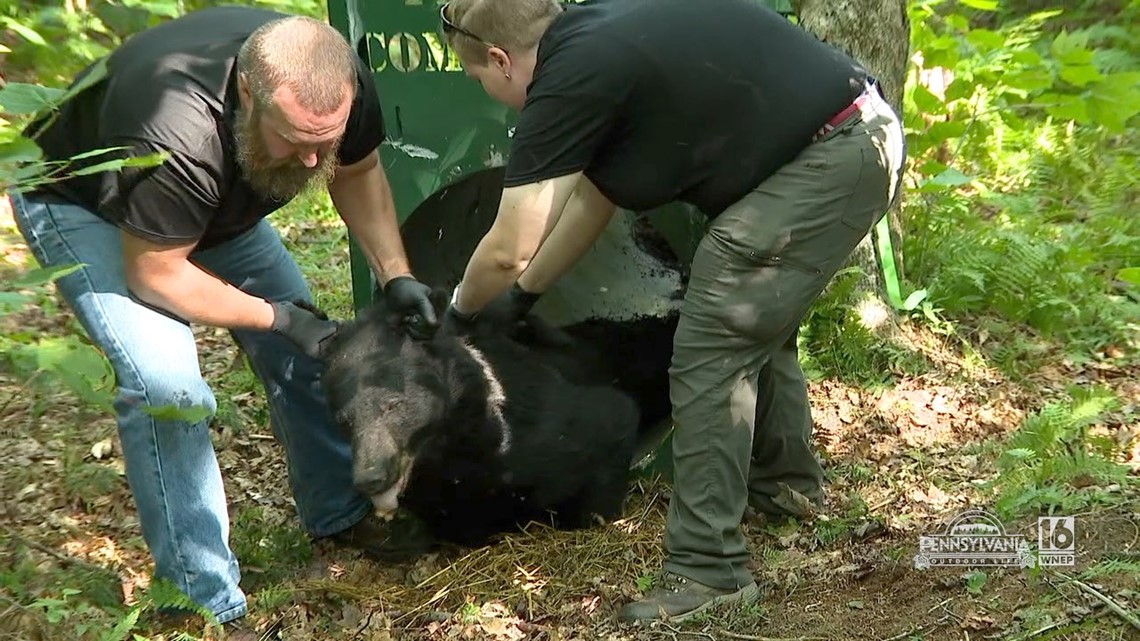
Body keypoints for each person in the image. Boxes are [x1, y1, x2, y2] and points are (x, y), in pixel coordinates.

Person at [432, 0, 907, 624]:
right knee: (754, 316)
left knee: (715, 339)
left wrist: (460, 316)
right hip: (852, 132)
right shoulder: (596, 41)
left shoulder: (567, 76)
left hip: (836, 152)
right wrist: (523, 299)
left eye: (481, 80)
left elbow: (509, 244)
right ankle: (785, 489)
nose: (492, 95)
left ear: (500, 58)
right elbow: (592, 204)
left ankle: (709, 570)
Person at [10, 6, 439, 637]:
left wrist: (395, 274)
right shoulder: (173, 127)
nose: (313, 161)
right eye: (295, 140)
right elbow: (157, 272)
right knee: (169, 390)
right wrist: (275, 317)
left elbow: (360, 170)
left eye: (327, 140)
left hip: (203, 205)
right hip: (87, 203)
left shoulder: (333, 80)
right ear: (246, 91)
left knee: (313, 348)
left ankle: (343, 515)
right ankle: (199, 600)